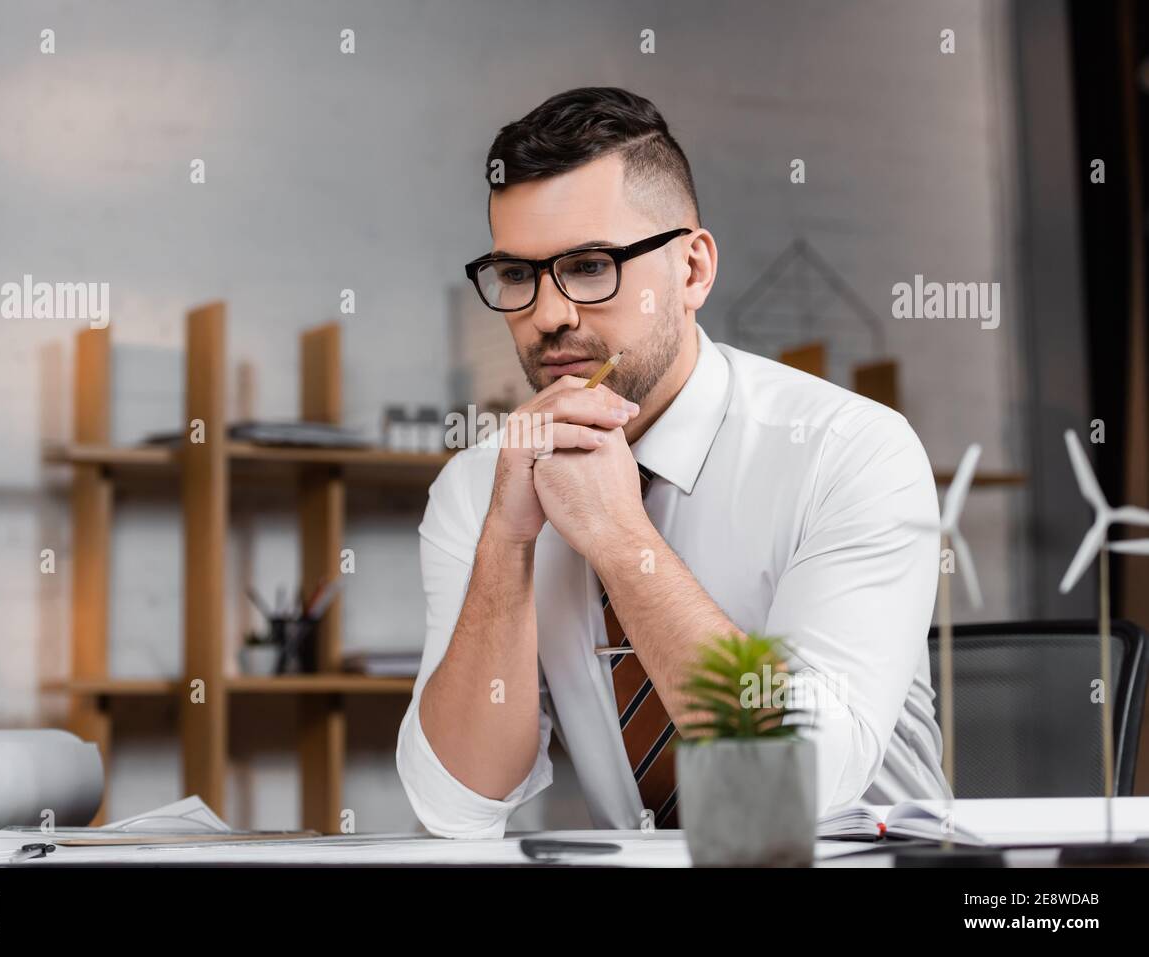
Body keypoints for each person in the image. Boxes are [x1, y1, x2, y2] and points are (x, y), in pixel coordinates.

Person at [396, 87, 950, 838]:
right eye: (518, 275)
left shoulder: (850, 451)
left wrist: (623, 540)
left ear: (691, 271)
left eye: (590, 265)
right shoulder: (481, 487)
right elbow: (454, 806)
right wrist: (506, 542)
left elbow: (795, 784)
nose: (549, 314)